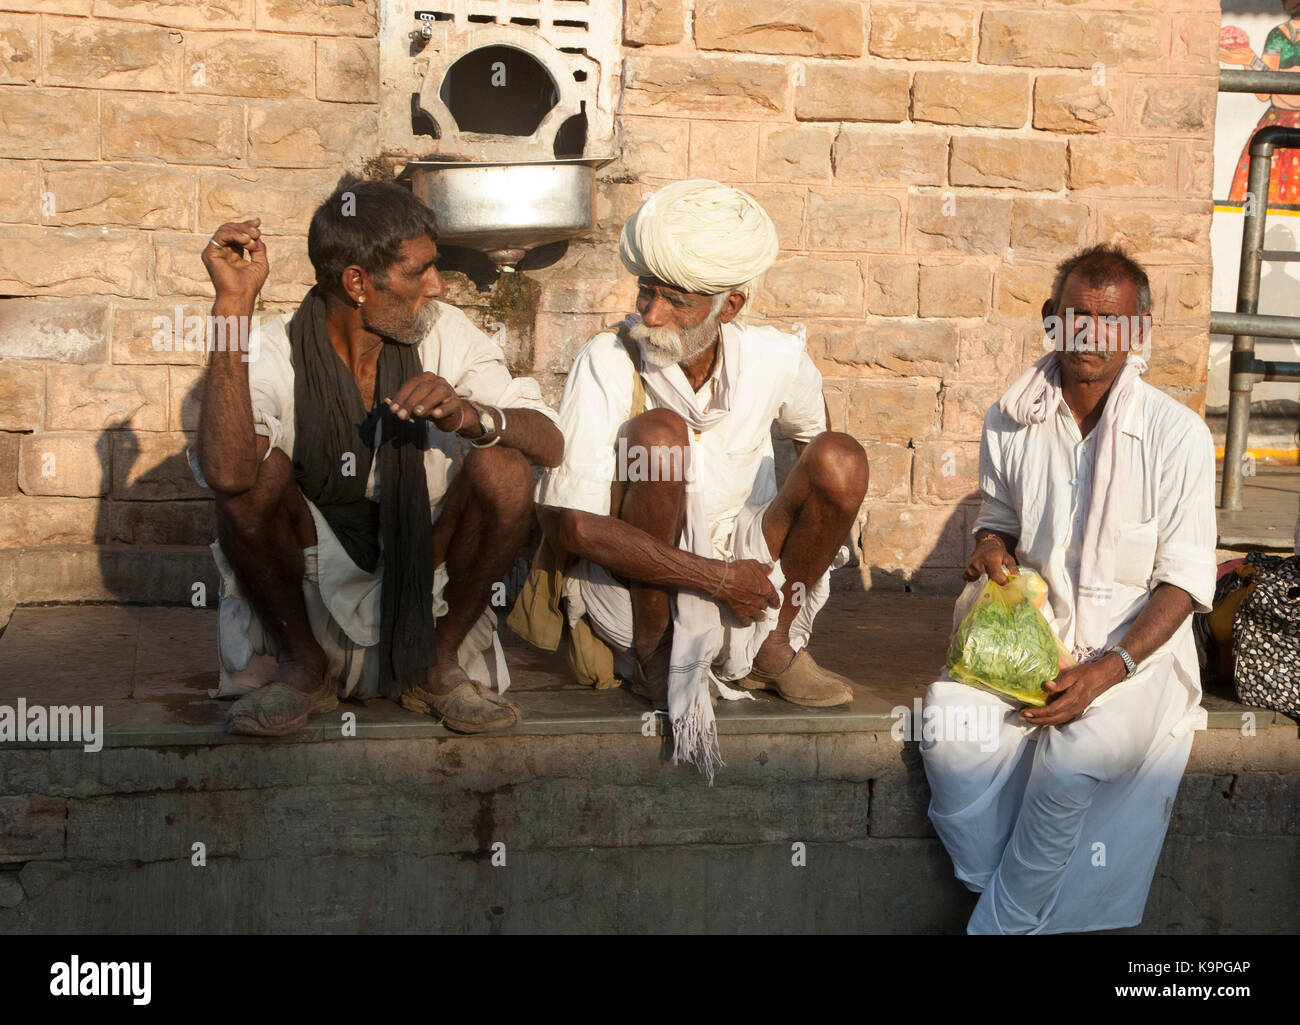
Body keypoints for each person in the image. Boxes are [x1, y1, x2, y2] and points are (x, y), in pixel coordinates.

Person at [194, 177, 563, 737]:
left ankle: (434, 664)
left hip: (424, 558)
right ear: (358, 282)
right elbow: (226, 474)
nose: (436, 287)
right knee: (253, 475)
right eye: (420, 272)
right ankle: (304, 665)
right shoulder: (272, 347)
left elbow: (551, 442)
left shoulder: (445, 333)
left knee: (504, 465)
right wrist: (232, 306)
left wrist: (473, 416)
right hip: (309, 564)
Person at [920, 244, 1217, 934]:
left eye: (1110, 321)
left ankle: (1000, 925)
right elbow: (997, 522)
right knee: (945, 722)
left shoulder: (1177, 437)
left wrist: (1106, 670)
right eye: (1076, 316)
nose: (1090, 334)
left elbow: (1184, 583)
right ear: (1052, 320)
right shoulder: (1010, 417)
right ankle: (1003, 891)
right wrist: (990, 548)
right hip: (1038, 643)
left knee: (1070, 759)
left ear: (1137, 332)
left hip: (1137, 658)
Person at [530, 179, 870, 778]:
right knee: (660, 438)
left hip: (747, 560)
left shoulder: (775, 358)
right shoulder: (607, 361)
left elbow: (813, 439)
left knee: (841, 457)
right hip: (634, 576)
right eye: (646, 292)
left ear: (729, 306)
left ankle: (774, 644)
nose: (650, 314)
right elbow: (573, 526)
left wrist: (806, 531)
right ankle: (654, 653)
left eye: (675, 301)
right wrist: (717, 579)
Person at [1220, 1, 1300, 208]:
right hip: (1277, 120)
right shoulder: (1278, 34)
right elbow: (1264, 93)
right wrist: (1249, 59)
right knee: (1258, 198)